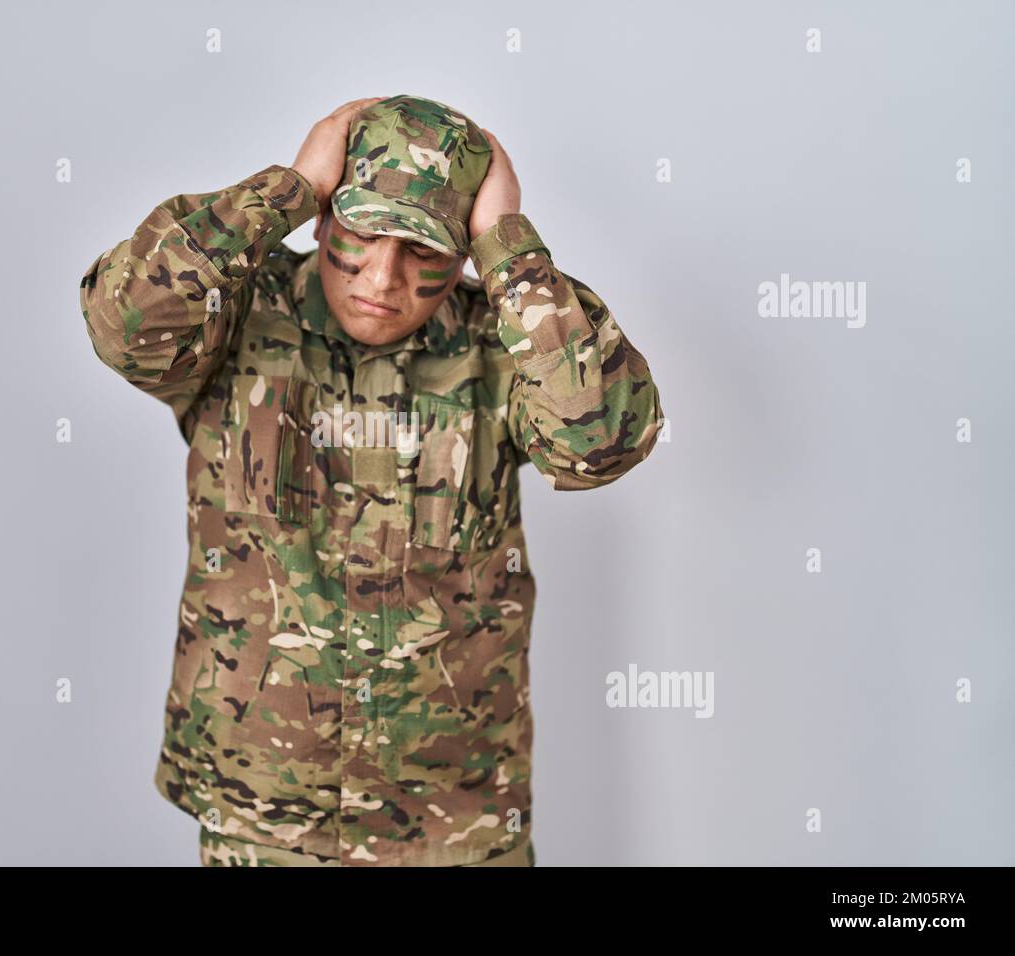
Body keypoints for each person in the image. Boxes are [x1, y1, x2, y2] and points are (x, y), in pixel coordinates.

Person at [78, 94, 664, 867]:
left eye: (422, 252)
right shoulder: (239, 315)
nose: (381, 278)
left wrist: (510, 251)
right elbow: (126, 322)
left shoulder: (500, 343)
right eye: (360, 234)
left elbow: (601, 441)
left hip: (454, 818)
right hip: (264, 809)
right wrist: (286, 187)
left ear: (461, 258)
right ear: (324, 218)